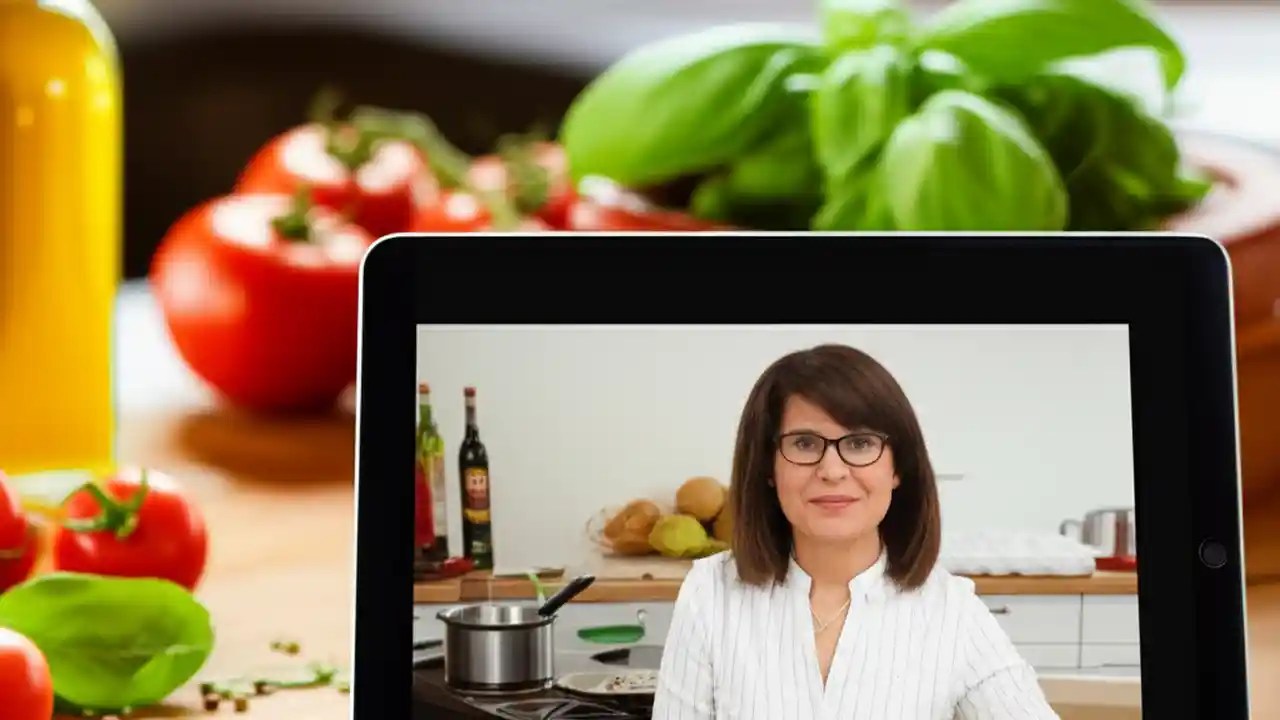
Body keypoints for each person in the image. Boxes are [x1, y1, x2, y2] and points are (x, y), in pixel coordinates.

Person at [651, 344, 1060, 720]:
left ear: (898, 468)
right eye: (806, 443)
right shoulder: (710, 593)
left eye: (861, 443)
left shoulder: (953, 612)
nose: (832, 470)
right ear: (767, 468)